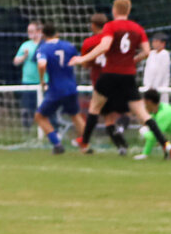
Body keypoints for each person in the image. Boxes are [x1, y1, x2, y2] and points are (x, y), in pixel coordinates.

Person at [70, 0, 171, 156]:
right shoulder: (137, 28)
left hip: (109, 74)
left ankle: (85, 141)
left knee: (95, 107)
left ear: (114, 11)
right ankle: (165, 144)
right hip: (128, 75)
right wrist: (133, 60)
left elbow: (105, 46)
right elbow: (146, 51)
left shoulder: (110, 26)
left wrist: (83, 58)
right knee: (142, 113)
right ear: (128, 11)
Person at [78, 13, 131, 155]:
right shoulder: (115, 39)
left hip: (100, 82)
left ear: (93, 25)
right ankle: (121, 144)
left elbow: (85, 64)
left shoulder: (89, 42)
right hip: (118, 80)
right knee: (120, 114)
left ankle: (85, 141)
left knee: (96, 112)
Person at [34, 23, 85, 154]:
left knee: (40, 116)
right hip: (71, 86)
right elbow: (80, 60)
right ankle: (86, 145)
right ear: (56, 33)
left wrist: (42, 80)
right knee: (75, 115)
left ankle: (57, 144)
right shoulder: (68, 46)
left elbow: (41, 64)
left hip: (55, 89)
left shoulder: (43, 48)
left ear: (43, 35)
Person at [13, 21, 45, 128]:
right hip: (28, 82)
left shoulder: (45, 44)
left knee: (45, 108)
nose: (29, 33)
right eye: (28, 31)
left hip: (44, 81)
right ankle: (27, 132)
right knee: (27, 109)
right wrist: (24, 56)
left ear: (39, 31)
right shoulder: (25, 45)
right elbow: (16, 61)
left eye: (32, 31)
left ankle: (45, 131)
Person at [143, 32, 171, 103]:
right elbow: (147, 70)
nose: (153, 43)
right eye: (153, 41)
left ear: (163, 43)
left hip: (160, 87)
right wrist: (147, 85)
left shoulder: (165, 54)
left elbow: (161, 72)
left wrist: (155, 87)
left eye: (156, 41)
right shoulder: (151, 54)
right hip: (149, 87)